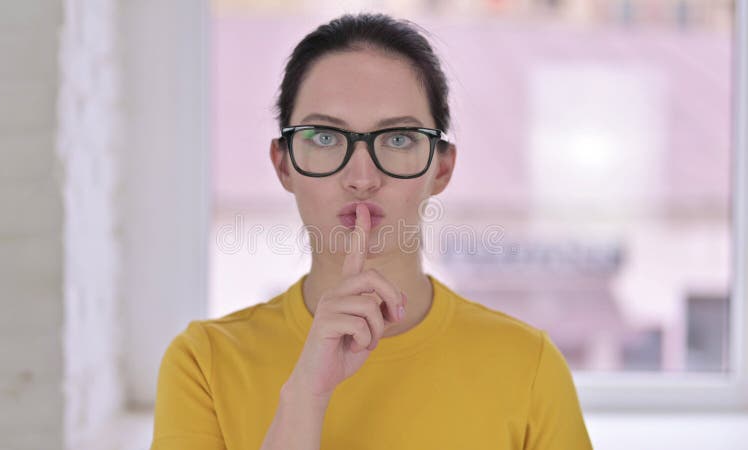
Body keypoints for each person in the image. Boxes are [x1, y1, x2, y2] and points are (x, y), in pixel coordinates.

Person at [151, 12, 593, 450]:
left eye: (398, 139)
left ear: (442, 168)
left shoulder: (529, 367)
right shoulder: (204, 364)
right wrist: (305, 396)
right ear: (283, 164)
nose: (362, 177)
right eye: (324, 137)